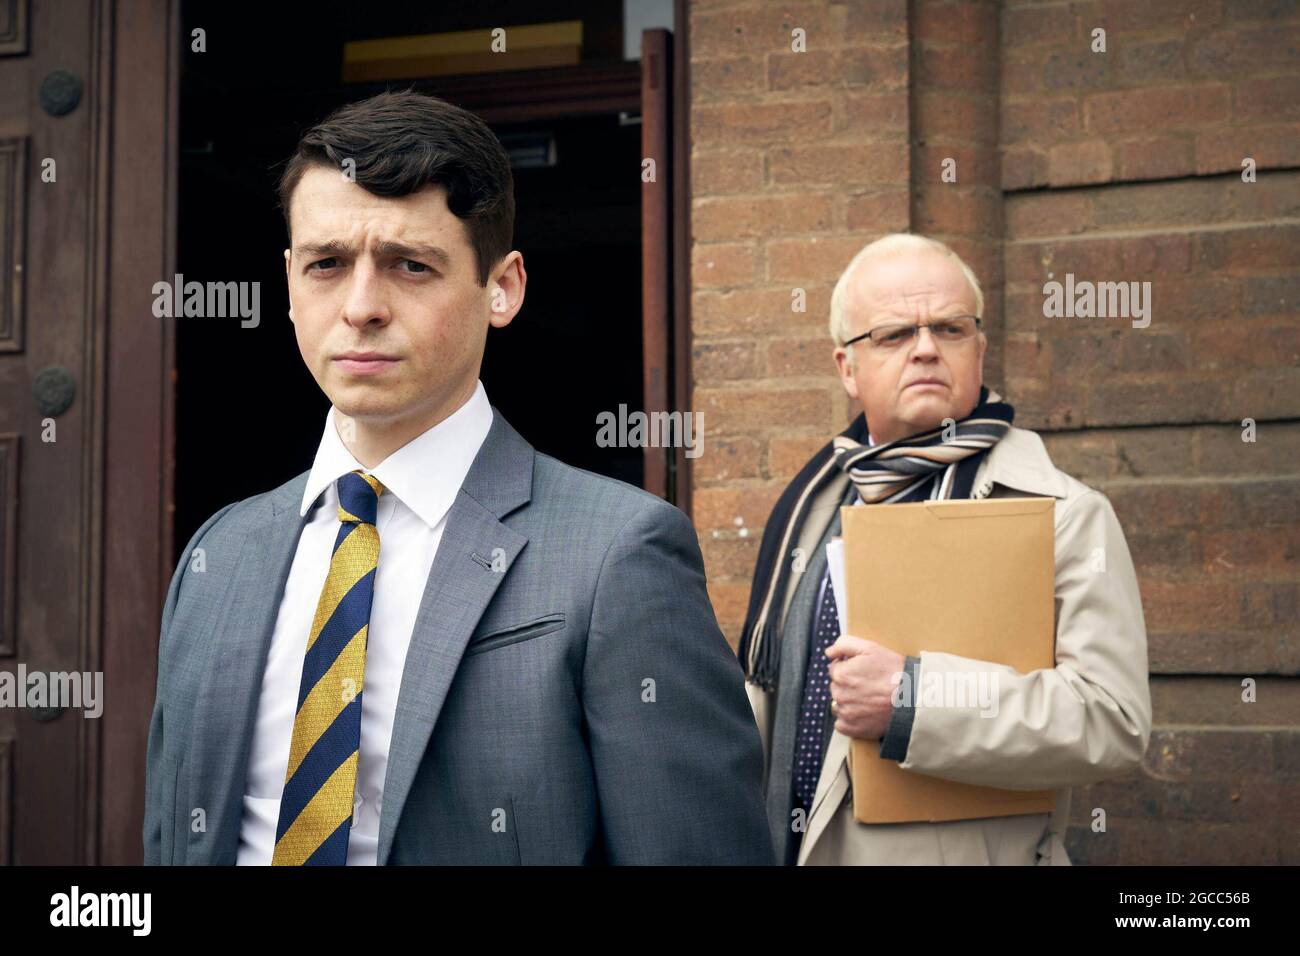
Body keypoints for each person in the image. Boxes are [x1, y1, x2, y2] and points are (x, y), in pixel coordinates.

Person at [144, 90, 773, 866]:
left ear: (502, 287)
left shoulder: (620, 556)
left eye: (411, 265)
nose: (362, 306)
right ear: (288, 282)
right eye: (327, 265)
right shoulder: (219, 556)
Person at [739, 233, 1151, 865]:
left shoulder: (1063, 514)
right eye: (894, 334)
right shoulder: (808, 507)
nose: (926, 348)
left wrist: (912, 699)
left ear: (979, 351)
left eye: (950, 329)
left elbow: (1112, 722)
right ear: (847, 368)